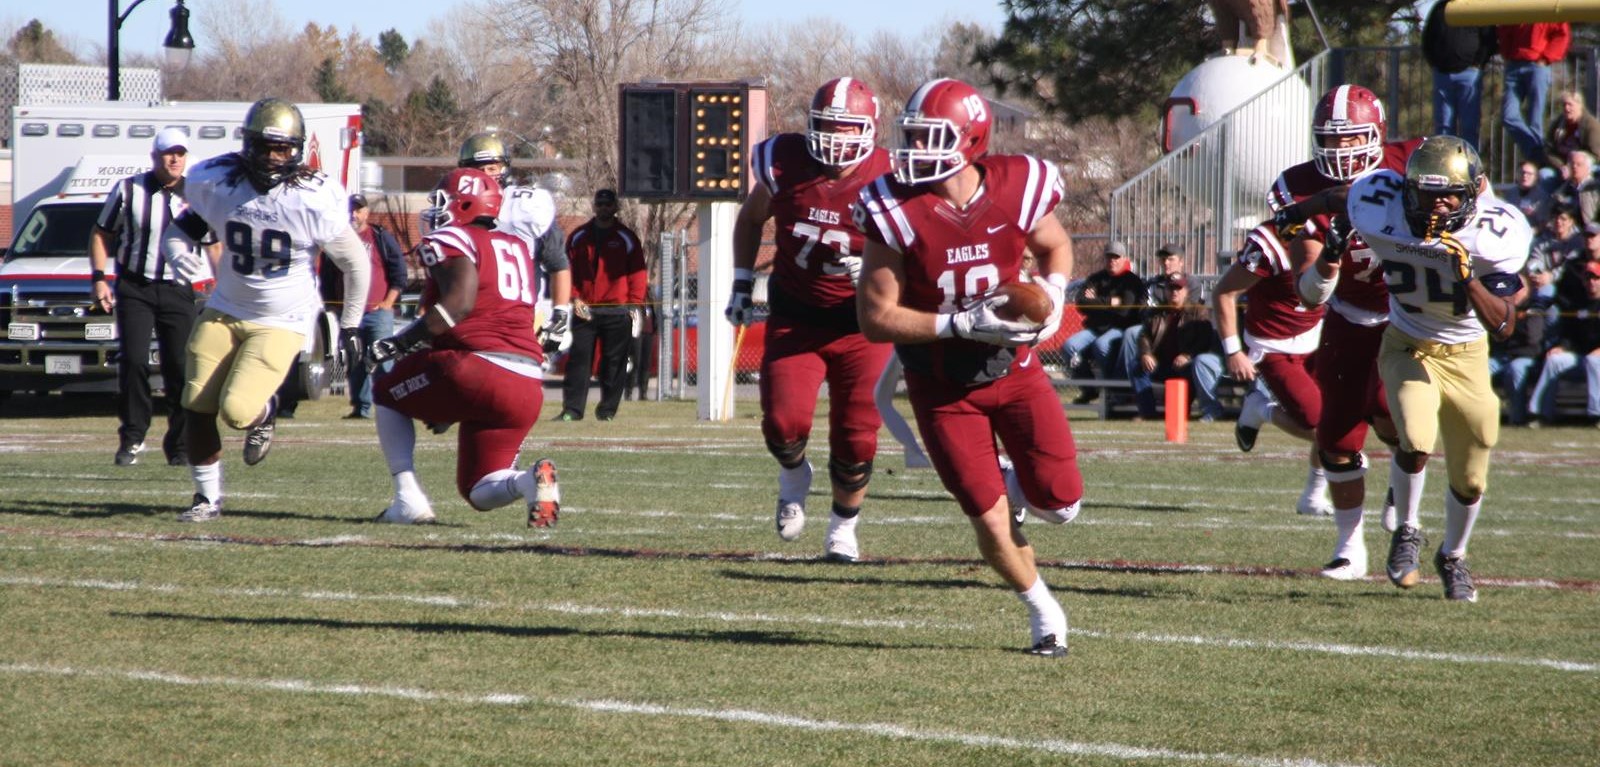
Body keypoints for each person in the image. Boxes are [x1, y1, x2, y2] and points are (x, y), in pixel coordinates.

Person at [855, 77, 1081, 657]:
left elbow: (1055, 246)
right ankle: (1044, 613)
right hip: (942, 386)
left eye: (929, 137)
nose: (913, 150)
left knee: (1061, 504)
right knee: (988, 520)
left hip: (1016, 370)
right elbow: (876, 316)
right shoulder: (894, 207)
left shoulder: (1017, 185)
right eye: (910, 136)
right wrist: (957, 324)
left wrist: (1054, 295)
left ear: (971, 139)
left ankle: (1020, 485)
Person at [164, 98, 371, 521]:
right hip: (225, 307)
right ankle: (206, 498)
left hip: (282, 319)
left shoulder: (312, 196)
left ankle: (265, 412)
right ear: (249, 143)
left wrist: (349, 326)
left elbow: (355, 263)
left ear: (297, 149)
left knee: (237, 410)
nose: (276, 157)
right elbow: (181, 230)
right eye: (267, 146)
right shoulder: (218, 181)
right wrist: (177, 255)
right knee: (195, 402)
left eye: (284, 149)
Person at [1347, 135, 1530, 601]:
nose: (1437, 204)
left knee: (1471, 476)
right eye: (1427, 192)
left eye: (1449, 193)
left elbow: (1505, 325)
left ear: (1475, 192)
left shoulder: (1494, 232)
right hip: (1407, 342)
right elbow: (1342, 195)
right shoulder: (1377, 204)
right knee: (1416, 432)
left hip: (1466, 352)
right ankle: (1406, 530)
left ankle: (1453, 555)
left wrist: (1466, 276)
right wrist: (1295, 212)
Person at [726, 77, 897, 560]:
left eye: (847, 128)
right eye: (827, 126)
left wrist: (879, 272)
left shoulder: (890, 177)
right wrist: (742, 282)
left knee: (856, 436)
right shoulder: (784, 162)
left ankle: (843, 527)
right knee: (782, 423)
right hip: (796, 315)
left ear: (869, 130)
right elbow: (750, 217)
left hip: (863, 324)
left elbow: (917, 249)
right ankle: (794, 473)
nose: (835, 138)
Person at [366, 168, 561, 526]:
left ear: (465, 203)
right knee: (478, 490)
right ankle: (529, 481)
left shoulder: (453, 238)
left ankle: (406, 499)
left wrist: (398, 343)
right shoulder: (516, 245)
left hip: (476, 366)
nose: (435, 211)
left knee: (385, 393)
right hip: (527, 382)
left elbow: (458, 305)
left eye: (443, 202)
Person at [90, 127, 215, 468]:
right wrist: (99, 279)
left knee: (179, 366)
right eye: (167, 153)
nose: (174, 158)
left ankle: (179, 445)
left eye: (180, 153)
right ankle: (132, 437)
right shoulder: (129, 189)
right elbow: (102, 233)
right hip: (135, 287)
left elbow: (213, 242)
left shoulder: (197, 194)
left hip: (178, 288)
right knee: (133, 360)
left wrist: (222, 284)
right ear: (154, 156)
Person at [435, 132, 574, 366]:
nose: (484, 175)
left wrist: (560, 313)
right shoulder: (450, 207)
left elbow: (557, 263)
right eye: (477, 169)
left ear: (504, 168)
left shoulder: (526, 206)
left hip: (519, 316)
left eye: (491, 168)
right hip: (466, 312)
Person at [557, 188, 647, 421]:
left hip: (617, 310)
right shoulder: (579, 236)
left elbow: (638, 273)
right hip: (585, 309)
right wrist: (574, 297)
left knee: (613, 364)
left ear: (615, 207)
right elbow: (568, 271)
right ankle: (572, 410)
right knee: (579, 361)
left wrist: (634, 305)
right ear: (594, 207)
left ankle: (607, 411)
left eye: (608, 205)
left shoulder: (626, 237)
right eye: (600, 205)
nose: (604, 209)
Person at [320, 193, 407, 419]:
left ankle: (391, 407)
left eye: (358, 210)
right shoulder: (337, 239)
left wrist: (388, 302)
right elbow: (327, 278)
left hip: (378, 313)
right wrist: (333, 307)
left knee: (383, 359)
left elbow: (399, 273)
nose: (353, 214)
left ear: (366, 212)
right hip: (349, 314)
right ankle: (361, 408)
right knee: (355, 361)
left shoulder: (379, 237)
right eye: (350, 210)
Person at [1129, 272, 1225, 421]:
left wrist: (1188, 355)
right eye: (1170, 289)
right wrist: (1146, 353)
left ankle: (1179, 412)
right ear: (1166, 291)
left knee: (1192, 369)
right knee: (1136, 366)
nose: (1174, 292)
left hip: (1184, 364)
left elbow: (1205, 339)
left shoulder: (1198, 312)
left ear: (1186, 291)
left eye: (1178, 289)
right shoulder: (1155, 313)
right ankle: (1148, 414)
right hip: (1161, 363)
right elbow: (1144, 336)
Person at [1062, 241, 1145, 403]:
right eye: (1109, 257)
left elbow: (1124, 311)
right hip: (1095, 328)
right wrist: (1111, 302)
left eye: (1116, 257)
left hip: (1119, 328)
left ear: (1124, 259)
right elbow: (1081, 303)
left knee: (1102, 345)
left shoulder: (1131, 281)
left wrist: (1096, 303)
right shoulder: (1096, 278)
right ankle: (1089, 389)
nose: (1112, 261)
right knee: (1069, 346)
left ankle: (1112, 390)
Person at [1528, 259, 1600, 426]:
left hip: (1596, 359)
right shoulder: (1579, 303)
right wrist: (1562, 347)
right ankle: (1539, 413)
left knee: (1594, 360)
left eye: (1596, 278)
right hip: (1583, 358)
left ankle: (1597, 415)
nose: (1591, 282)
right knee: (1554, 360)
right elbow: (1570, 334)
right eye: (1588, 278)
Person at [1422, 0, 1496, 149]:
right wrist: (1435, 63)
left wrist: (1478, 63)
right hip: (1442, 75)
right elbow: (1428, 38)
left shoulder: (1477, 7)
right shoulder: (1440, 8)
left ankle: (1470, 167)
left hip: (1469, 74)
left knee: (1469, 126)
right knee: (1443, 126)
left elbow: (1489, 39)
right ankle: (1442, 165)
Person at [1498, 21, 1571, 167]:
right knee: (1508, 115)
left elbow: (1562, 33)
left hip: (1537, 65)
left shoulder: (1547, 7)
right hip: (1514, 64)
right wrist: (1507, 53)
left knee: (1534, 119)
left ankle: (1537, 163)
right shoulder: (1515, 6)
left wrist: (1546, 57)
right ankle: (1539, 153)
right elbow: (1504, 30)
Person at [1490, 265, 1552, 427]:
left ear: (1527, 290)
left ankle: (1517, 418)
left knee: (1516, 369)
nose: (1514, 291)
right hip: (1502, 355)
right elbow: (1495, 335)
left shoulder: (1534, 309)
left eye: (1518, 287)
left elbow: (1532, 337)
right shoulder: (1502, 307)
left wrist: (1512, 324)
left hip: (1527, 356)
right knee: (1483, 367)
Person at [1543, 90, 1600, 173]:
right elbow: (1548, 150)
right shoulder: (1557, 124)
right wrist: (1561, 166)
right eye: (1564, 105)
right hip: (1562, 166)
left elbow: (1596, 155)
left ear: (1580, 106)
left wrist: (1575, 166)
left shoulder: (1591, 125)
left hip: (1585, 166)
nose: (1566, 108)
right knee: (1545, 174)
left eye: (1570, 105)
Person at [1550, 151, 1600, 228]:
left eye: (1579, 164)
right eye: (1572, 164)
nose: (1574, 167)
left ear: (1588, 168)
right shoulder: (1563, 189)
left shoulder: (1595, 188)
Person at [1531, 204, 1583, 272]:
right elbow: (1535, 258)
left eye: (1563, 219)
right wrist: (1538, 272)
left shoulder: (1579, 241)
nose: (1558, 221)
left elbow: (1570, 263)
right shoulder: (1543, 240)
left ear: (1571, 222)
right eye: (1555, 218)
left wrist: (1552, 276)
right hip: (1544, 277)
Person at [1504, 161, 1551, 230]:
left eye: (1529, 174)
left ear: (1535, 177)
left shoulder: (1542, 196)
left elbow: (1542, 223)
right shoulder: (1510, 193)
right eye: (1522, 173)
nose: (1525, 176)